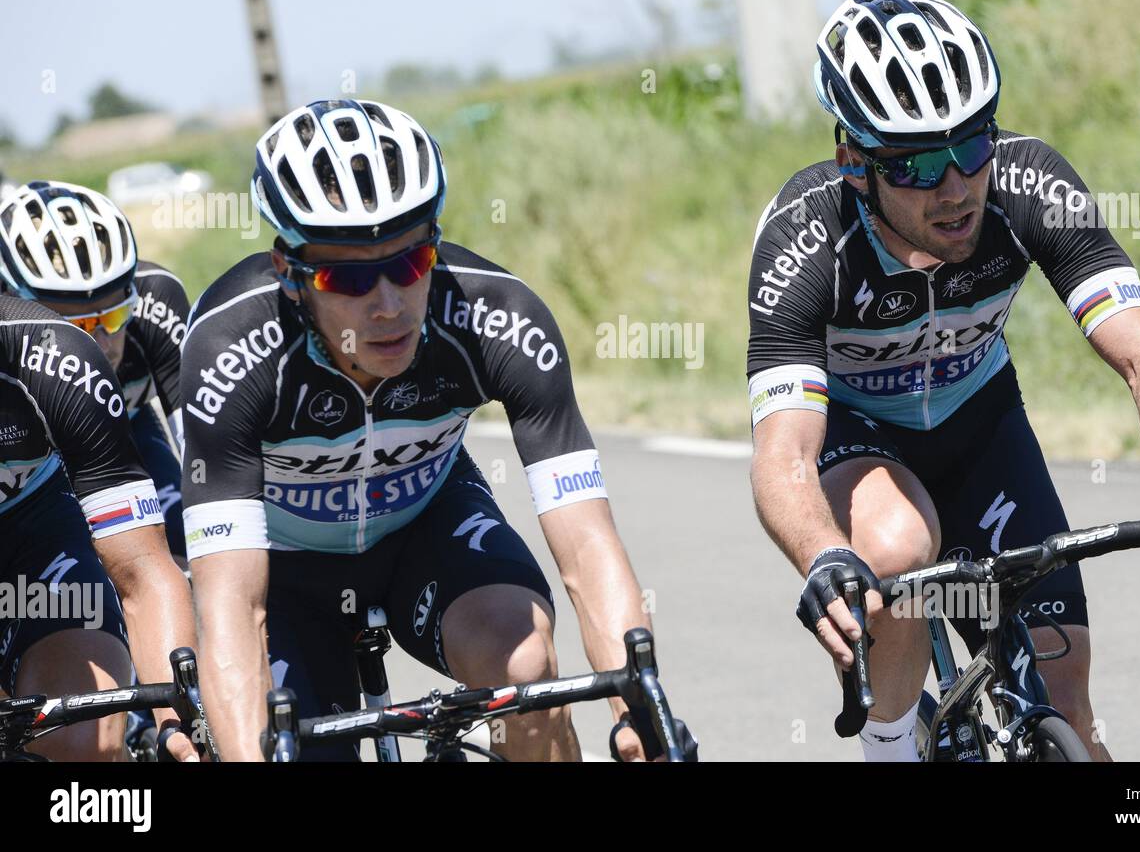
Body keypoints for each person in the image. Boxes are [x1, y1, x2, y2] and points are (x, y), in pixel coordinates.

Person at [746, 0, 1140, 761]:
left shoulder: (1030, 183)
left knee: (1069, 710)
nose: (953, 187)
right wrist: (823, 557)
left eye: (971, 147)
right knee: (899, 545)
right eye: (914, 163)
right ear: (854, 162)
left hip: (981, 427)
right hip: (860, 439)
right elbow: (783, 451)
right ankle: (890, 747)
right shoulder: (804, 240)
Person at [182, 98, 654, 761]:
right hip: (282, 573)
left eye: (410, 261)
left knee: (524, 671)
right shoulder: (230, 352)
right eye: (346, 275)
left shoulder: (497, 317)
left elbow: (587, 546)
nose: (389, 304)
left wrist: (639, 713)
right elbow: (232, 602)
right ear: (289, 273)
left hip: (425, 531)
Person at [0, 185, 198, 760]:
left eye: (112, 316)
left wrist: (179, 711)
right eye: (78, 320)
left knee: (88, 740)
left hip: (58, 489)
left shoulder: (61, 355)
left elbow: (145, 562)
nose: (102, 339)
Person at [0, 181, 190, 564]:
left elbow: (200, 447)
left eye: (115, 316)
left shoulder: (157, 299)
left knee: (179, 547)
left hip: (128, 433)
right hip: (37, 462)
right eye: (78, 328)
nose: (102, 345)